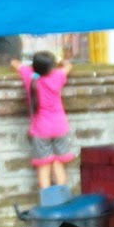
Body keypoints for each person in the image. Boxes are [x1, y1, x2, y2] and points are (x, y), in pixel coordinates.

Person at [17, 51, 76, 191]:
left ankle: (47, 204)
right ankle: (62, 201)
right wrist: (61, 62)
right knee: (58, 163)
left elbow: (15, 64)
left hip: (41, 129)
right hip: (59, 127)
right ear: (51, 67)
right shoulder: (57, 76)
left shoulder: (30, 77)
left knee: (44, 166)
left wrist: (33, 68)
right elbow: (68, 66)